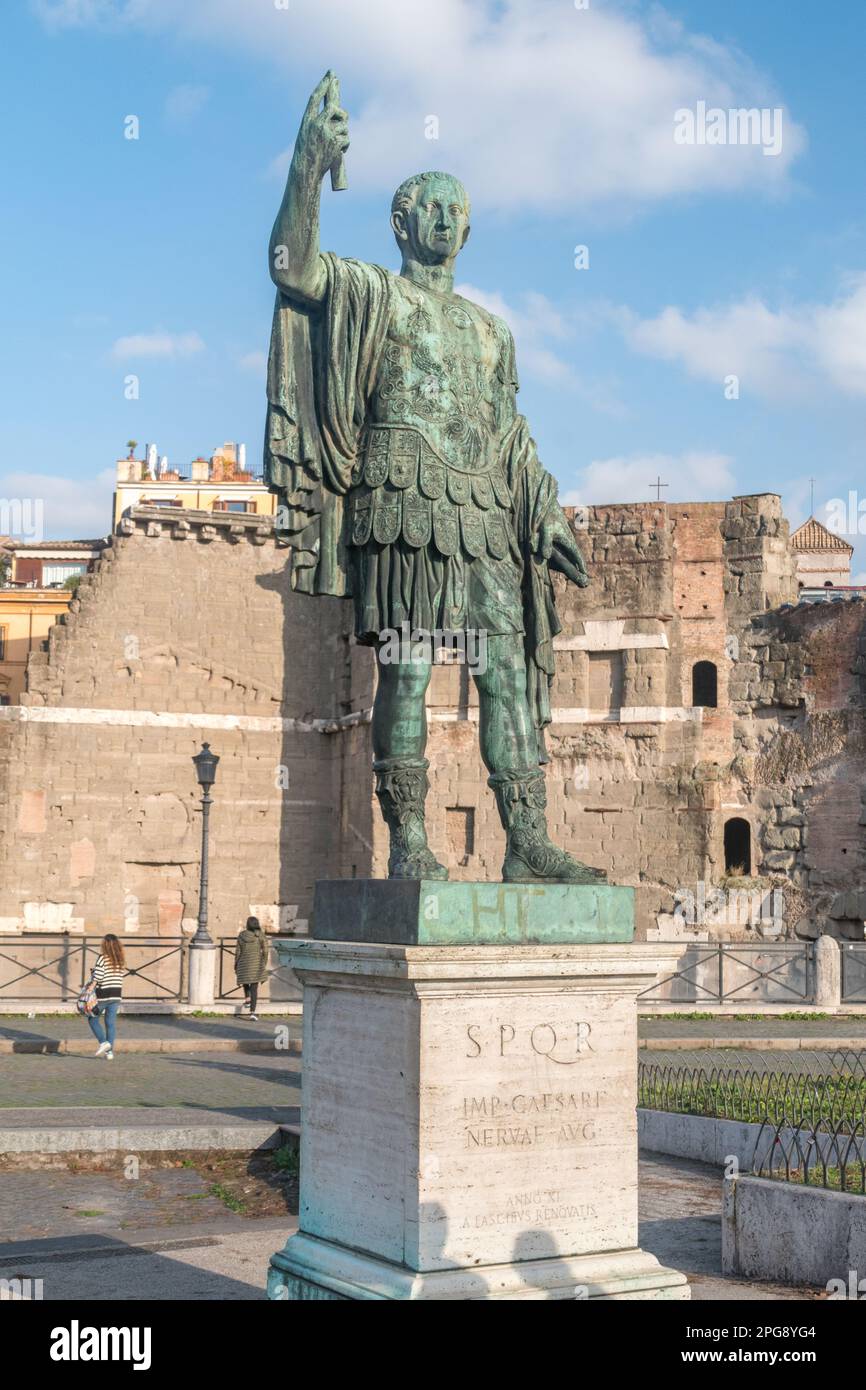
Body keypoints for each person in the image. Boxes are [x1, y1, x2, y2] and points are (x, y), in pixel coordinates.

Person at [265, 72, 604, 885]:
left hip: (484, 512)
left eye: (459, 210)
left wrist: (544, 510)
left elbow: (509, 432)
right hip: (402, 501)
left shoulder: (493, 331)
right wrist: (307, 165)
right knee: (409, 668)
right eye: (433, 207)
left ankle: (527, 842)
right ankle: (410, 841)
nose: (448, 219)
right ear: (402, 223)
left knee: (506, 673)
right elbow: (291, 269)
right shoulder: (372, 292)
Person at [87, 934, 125, 1060]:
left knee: (92, 1019)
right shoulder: (120, 959)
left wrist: (91, 985)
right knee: (110, 1024)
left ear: (106, 945)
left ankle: (103, 1042)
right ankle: (109, 1053)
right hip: (116, 994)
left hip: (103, 994)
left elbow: (99, 975)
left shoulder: (102, 958)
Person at [234, 916, 269, 1020]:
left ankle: (247, 999)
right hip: (256, 963)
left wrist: (236, 964)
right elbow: (265, 950)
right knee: (254, 988)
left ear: (248, 924)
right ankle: (252, 1013)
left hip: (243, 962)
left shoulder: (241, 935)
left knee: (245, 980)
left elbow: (238, 951)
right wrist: (264, 962)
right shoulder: (260, 935)